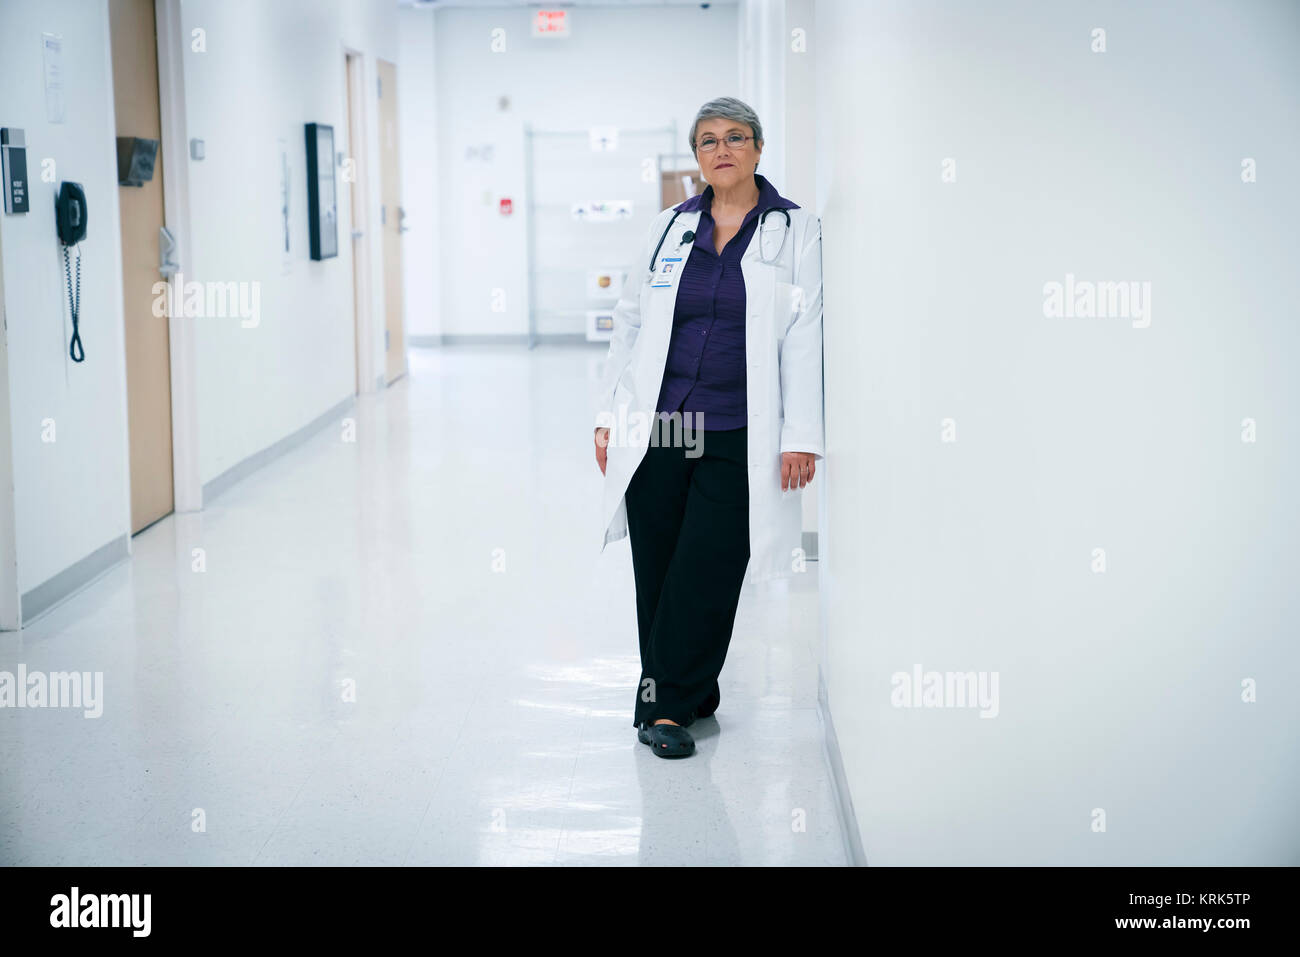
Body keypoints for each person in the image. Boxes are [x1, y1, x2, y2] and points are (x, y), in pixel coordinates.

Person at [593, 96, 825, 759]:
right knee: (660, 565)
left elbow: (805, 335)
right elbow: (630, 320)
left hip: (738, 427)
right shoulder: (670, 227)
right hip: (661, 424)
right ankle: (687, 688)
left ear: (757, 147)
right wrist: (610, 415)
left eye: (735, 137)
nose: (721, 149)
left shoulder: (797, 230)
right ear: (696, 157)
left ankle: (664, 707)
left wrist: (800, 435)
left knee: (710, 564)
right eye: (707, 141)